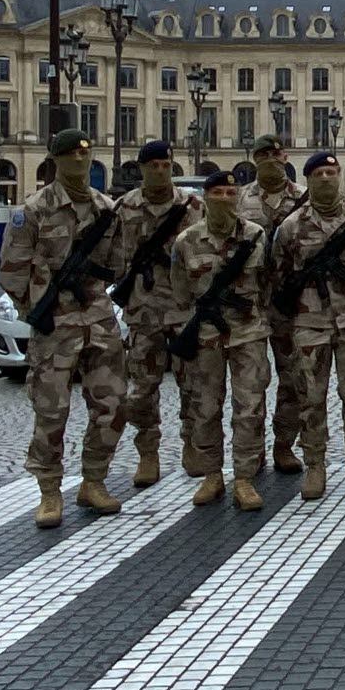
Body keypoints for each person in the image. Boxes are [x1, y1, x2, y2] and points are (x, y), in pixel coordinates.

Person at [0, 129, 127, 529]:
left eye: (84, 156)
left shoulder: (106, 209)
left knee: (113, 406)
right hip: (55, 324)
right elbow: (10, 270)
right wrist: (38, 305)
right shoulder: (34, 209)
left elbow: (116, 263)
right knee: (51, 410)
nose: (79, 162)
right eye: (70, 156)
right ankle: (49, 491)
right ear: (55, 160)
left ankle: (94, 481)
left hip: (99, 320)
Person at [271, 151, 345, 497]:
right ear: (308, 179)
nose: (326, 178)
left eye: (332, 172)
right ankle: (315, 466)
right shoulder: (291, 226)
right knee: (310, 397)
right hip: (309, 322)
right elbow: (279, 275)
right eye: (318, 173)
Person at [171, 170, 272, 511]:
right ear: (206, 196)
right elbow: (180, 291)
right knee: (205, 407)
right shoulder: (186, 241)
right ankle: (212, 474)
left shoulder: (255, 235)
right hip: (205, 334)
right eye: (218, 193)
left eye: (231, 193)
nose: (225, 199)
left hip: (248, 333)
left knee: (250, 407)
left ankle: (244, 476)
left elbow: (268, 282)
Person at [112, 140, 204, 487]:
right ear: (142, 169)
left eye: (166, 165)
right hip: (144, 311)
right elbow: (114, 256)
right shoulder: (125, 207)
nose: (161, 171)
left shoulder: (192, 206)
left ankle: (192, 447)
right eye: (154, 166)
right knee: (144, 388)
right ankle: (147, 453)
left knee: (192, 385)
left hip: (183, 310)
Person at [236, 133, 308, 475]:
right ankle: (250, 452)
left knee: (292, 376)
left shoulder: (303, 198)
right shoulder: (239, 198)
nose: (270, 159)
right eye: (263, 154)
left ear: (285, 156)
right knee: (250, 383)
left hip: (287, 303)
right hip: (247, 303)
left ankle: (284, 445)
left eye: (275, 153)